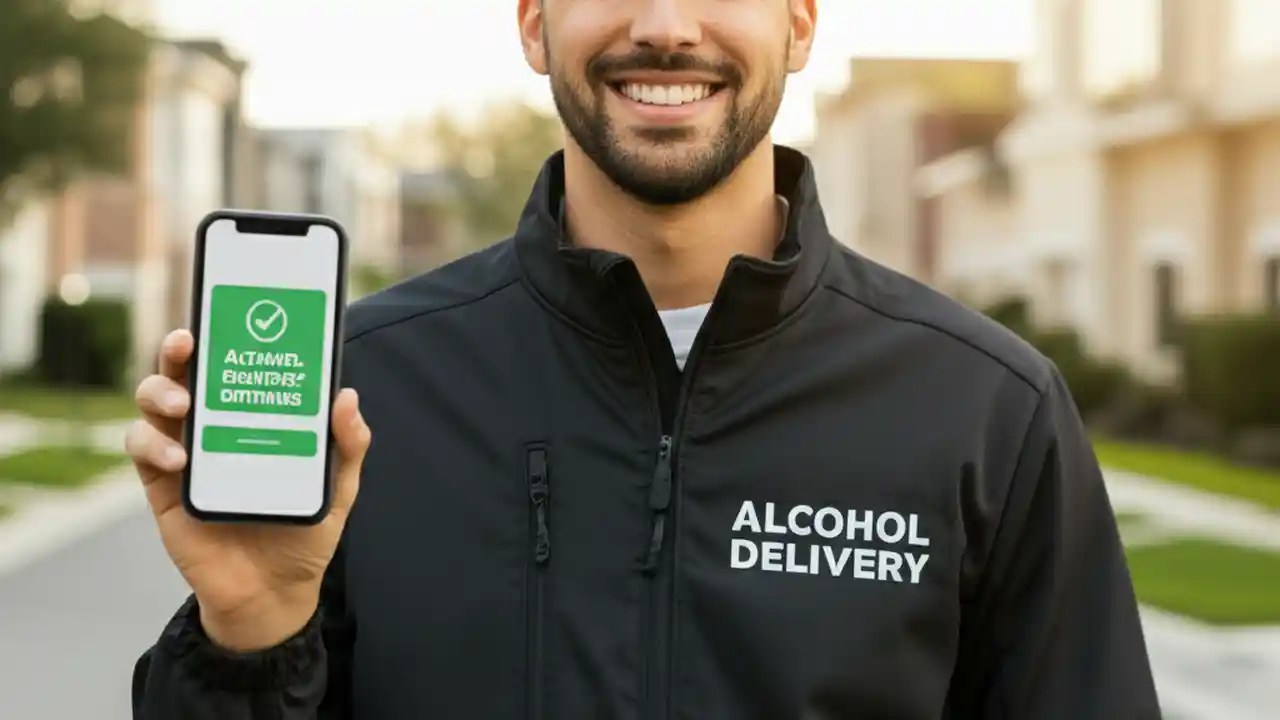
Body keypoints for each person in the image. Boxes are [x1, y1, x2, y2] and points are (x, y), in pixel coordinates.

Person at [127, 1, 1161, 717]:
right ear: (534, 25)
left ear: (799, 26)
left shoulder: (985, 411)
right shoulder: (361, 392)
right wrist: (249, 636)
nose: (665, 28)